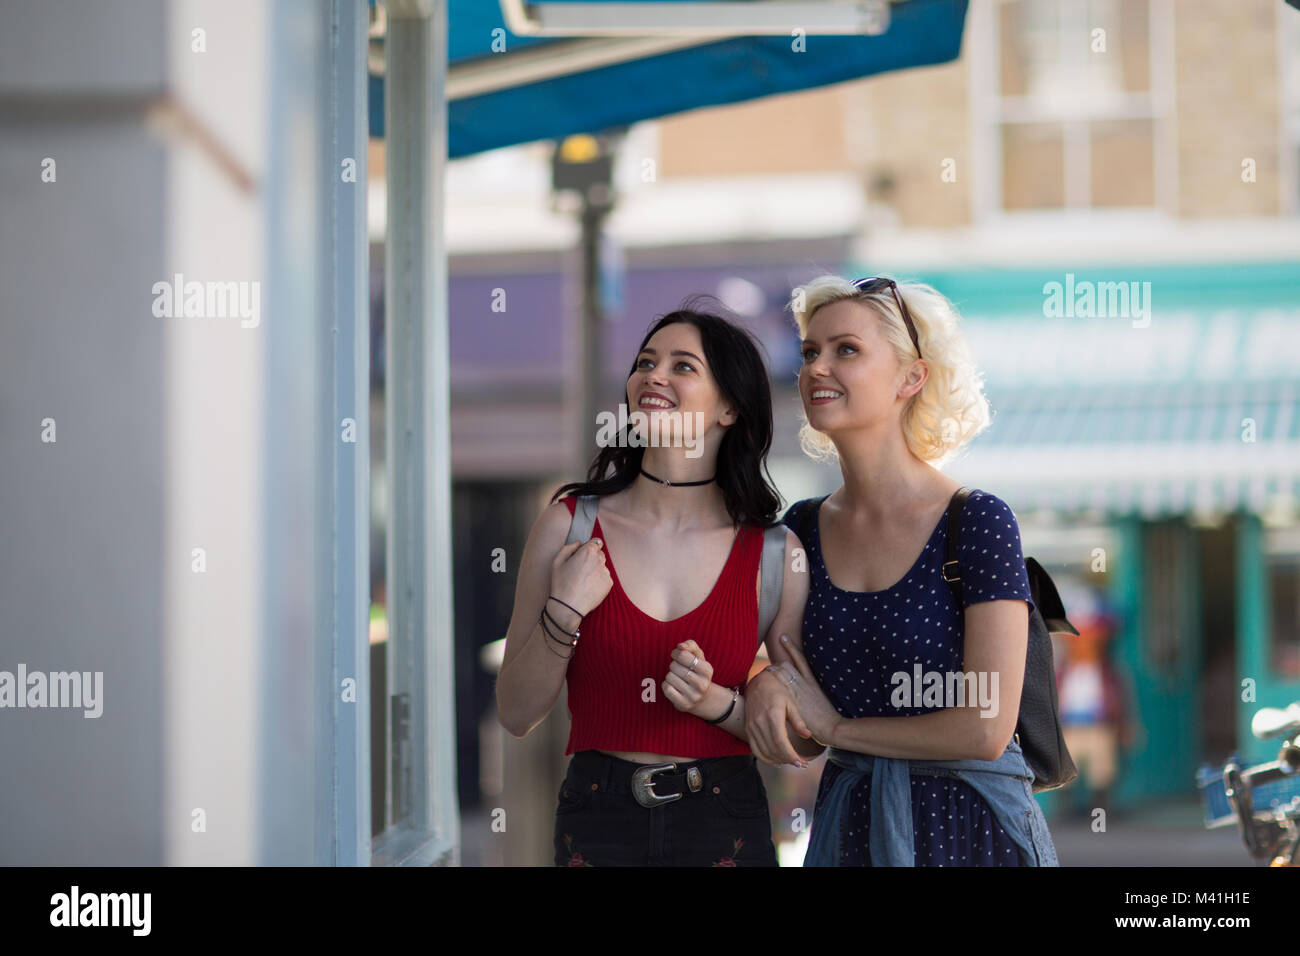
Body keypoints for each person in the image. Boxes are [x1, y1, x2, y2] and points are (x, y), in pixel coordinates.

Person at [744, 275, 1059, 866]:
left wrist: (839, 730)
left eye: (846, 350)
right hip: (850, 829)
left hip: (972, 831)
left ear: (911, 378)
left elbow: (984, 729)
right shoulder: (799, 530)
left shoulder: (978, 520)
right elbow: (802, 734)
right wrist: (765, 684)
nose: (816, 368)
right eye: (810, 352)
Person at [495, 301, 806, 867]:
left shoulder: (777, 554)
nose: (652, 375)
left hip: (724, 819)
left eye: (683, 366)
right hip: (597, 815)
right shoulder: (570, 523)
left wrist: (717, 705)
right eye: (645, 362)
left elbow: (801, 740)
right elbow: (516, 713)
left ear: (730, 408)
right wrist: (564, 611)